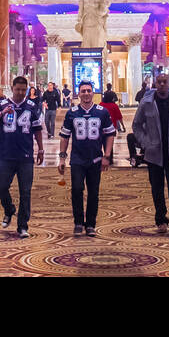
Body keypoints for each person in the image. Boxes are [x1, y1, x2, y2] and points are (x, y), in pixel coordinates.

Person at [131, 73, 169, 239]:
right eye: (159, 82)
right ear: (155, 84)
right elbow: (136, 125)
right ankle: (161, 219)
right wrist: (145, 143)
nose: (162, 84)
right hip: (154, 153)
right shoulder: (147, 103)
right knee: (157, 188)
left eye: (165, 82)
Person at [0, 76, 44, 238]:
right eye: (18, 89)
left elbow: (37, 128)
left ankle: (23, 226)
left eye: (23, 90)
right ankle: (9, 209)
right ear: (12, 88)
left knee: (25, 192)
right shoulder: (1, 103)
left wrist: (41, 149)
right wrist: (2, 113)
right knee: (0, 186)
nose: (20, 93)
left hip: (25, 155)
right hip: (6, 154)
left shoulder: (32, 106)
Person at [58, 81, 116, 236]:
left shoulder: (102, 112)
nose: (86, 93)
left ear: (93, 93)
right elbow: (64, 137)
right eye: (83, 91)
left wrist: (107, 156)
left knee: (93, 192)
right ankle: (78, 222)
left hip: (95, 159)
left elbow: (110, 134)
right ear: (78, 93)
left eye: (88, 91)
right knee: (77, 190)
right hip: (77, 159)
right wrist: (62, 158)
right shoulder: (72, 112)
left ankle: (90, 224)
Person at [100, 88, 125, 164]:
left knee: (102, 143)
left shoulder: (101, 105)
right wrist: (123, 126)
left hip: (102, 128)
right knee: (110, 143)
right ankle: (109, 159)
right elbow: (119, 117)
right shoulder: (114, 106)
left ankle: (101, 158)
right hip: (112, 127)